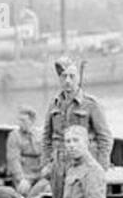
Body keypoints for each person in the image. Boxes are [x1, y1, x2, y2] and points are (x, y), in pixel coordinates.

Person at [42, 56, 112, 184]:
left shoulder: (91, 104)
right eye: (64, 76)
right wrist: (47, 164)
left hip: (84, 165)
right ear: (59, 79)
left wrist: (100, 168)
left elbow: (105, 138)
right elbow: (46, 138)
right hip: (58, 166)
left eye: (72, 76)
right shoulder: (54, 105)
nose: (68, 81)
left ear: (78, 78)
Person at [55, 125, 107, 198]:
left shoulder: (92, 170)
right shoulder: (72, 168)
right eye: (68, 141)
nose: (71, 145)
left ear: (86, 143)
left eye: (76, 140)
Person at [5, 106, 44, 196]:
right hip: (25, 173)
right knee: (23, 191)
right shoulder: (14, 136)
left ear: (32, 121)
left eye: (23, 121)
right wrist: (21, 178)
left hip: (40, 172)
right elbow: (13, 160)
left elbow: (46, 155)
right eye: (19, 120)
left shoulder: (40, 134)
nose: (20, 123)